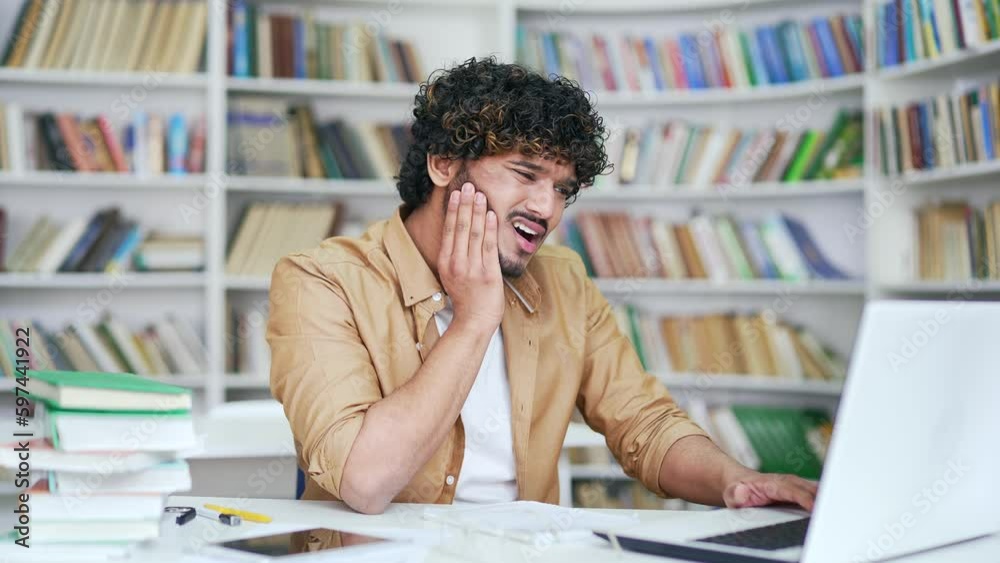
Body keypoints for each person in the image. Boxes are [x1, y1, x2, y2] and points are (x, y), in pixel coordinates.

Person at [267, 57, 818, 515]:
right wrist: (475, 318)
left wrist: (734, 481)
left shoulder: (564, 281)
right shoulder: (322, 282)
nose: (546, 208)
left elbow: (645, 425)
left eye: (563, 189)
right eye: (526, 174)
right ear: (442, 163)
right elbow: (364, 481)